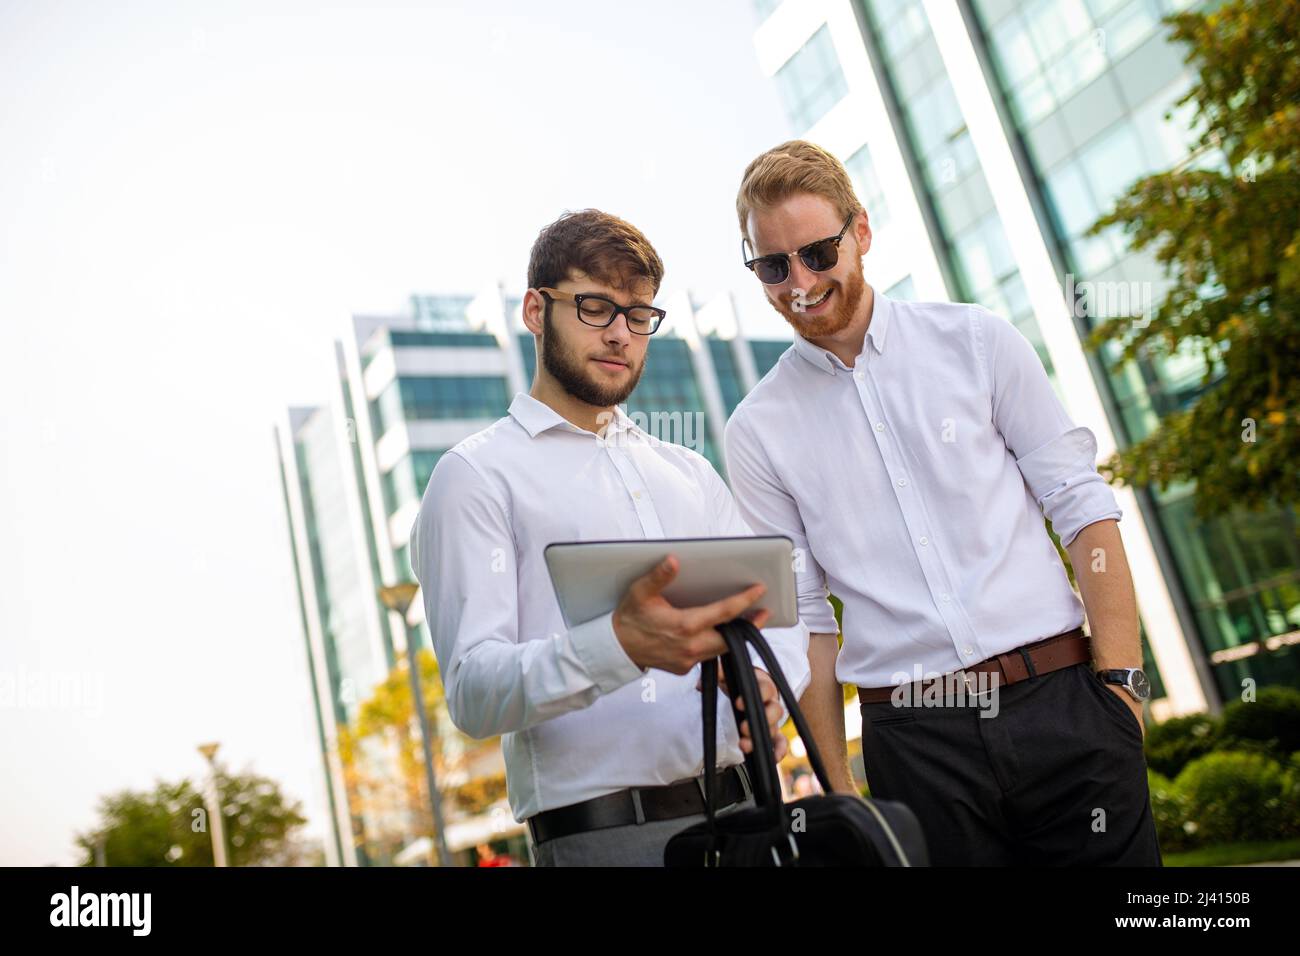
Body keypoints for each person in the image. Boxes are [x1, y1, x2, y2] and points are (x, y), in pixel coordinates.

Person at [723, 140, 1161, 866]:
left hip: (1064, 708)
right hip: (914, 745)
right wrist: (838, 791)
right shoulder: (757, 431)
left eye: (818, 254)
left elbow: (1082, 508)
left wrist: (1122, 688)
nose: (799, 282)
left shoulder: (978, 342)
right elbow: (806, 625)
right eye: (773, 266)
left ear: (860, 232)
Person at [410, 209, 811, 867]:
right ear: (536, 311)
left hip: (745, 819)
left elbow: (773, 607)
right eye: (596, 307)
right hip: (600, 839)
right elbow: (473, 693)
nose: (621, 334)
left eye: (639, 316)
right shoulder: (474, 476)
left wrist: (767, 683)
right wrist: (615, 645)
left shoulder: (688, 471)